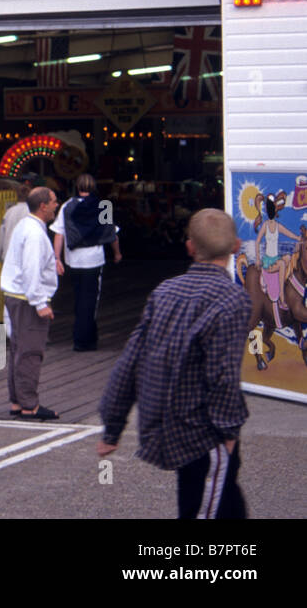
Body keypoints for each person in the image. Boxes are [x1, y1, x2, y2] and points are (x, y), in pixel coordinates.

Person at [98, 210, 252, 519]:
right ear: (236, 246)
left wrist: (112, 428)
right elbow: (222, 375)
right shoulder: (233, 300)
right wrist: (230, 434)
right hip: (208, 435)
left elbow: (130, 360)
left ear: (190, 247)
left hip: (172, 426)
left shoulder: (164, 292)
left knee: (224, 505)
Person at [0, 186, 60, 420]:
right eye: (54, 201)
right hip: (27, 300)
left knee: (18, 350)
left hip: (15, 297)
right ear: (43, 205)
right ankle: (29, 405)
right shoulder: (35, 233)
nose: (57, 205)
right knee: (30, 352)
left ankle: (17, 401)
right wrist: (40, 302)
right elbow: (31, 269)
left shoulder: (25, 225)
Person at [51, 173, 123, 351]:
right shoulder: (103, 206)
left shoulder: (67, 206)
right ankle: (84, 340)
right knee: (91, 300)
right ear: (94, 187)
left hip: (74, 260)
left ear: (77, 187)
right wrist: (117, 253)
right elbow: (112, 234)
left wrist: (56, 258)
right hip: (94, 259)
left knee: (79, 297)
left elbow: (59, 234)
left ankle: (86, 336)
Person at [0, 183, 32, 261]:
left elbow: (1, 233)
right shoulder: (32, 213)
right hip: (26, 257)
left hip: (9, 255)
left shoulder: (9, 212)